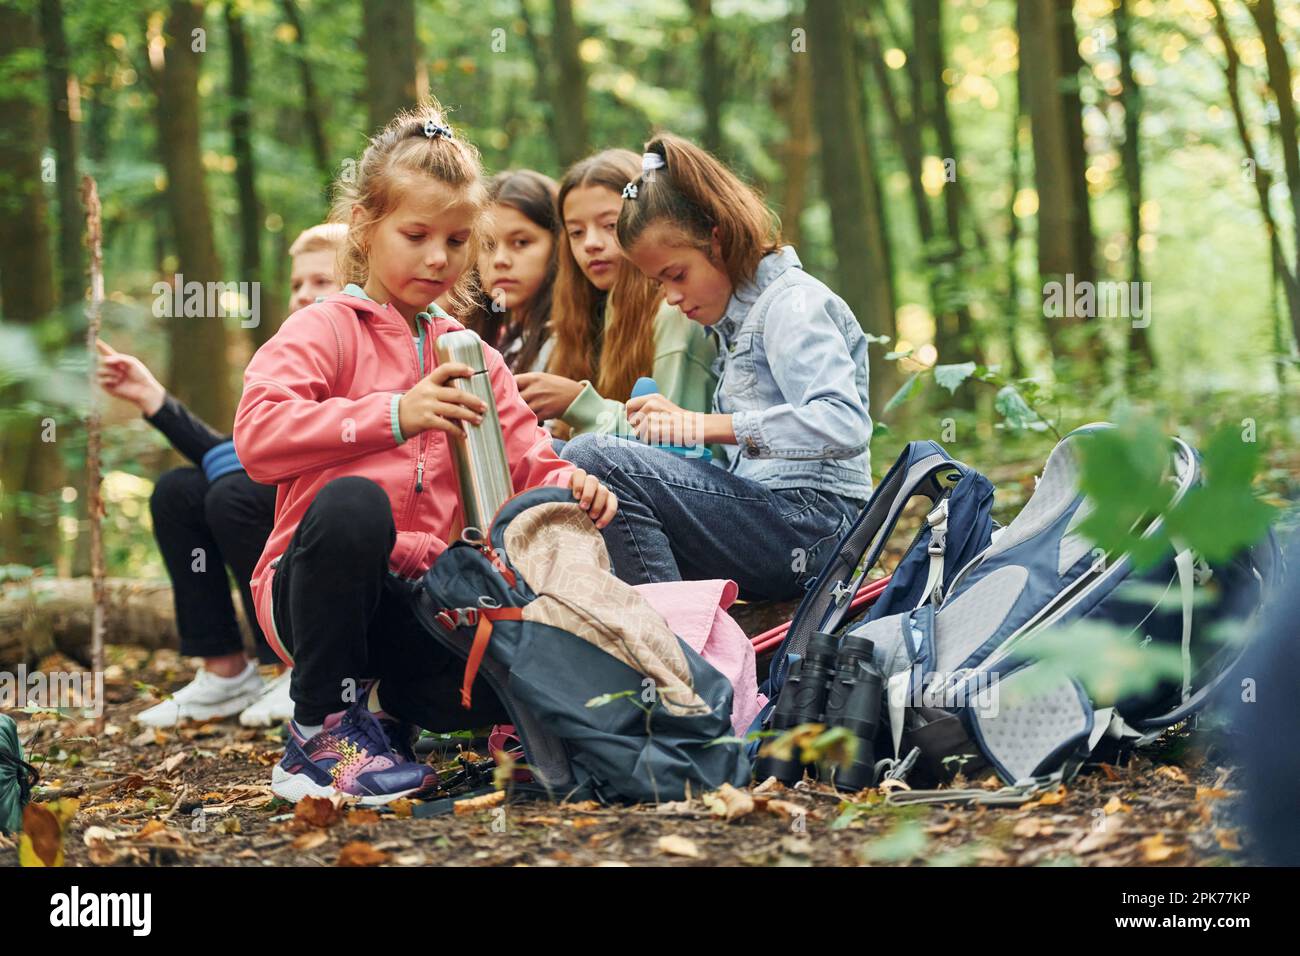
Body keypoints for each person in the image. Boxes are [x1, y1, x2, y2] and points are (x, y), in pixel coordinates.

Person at [232, 102, 617, 805]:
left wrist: (574, 484)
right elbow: (257, 441)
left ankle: (388, 723)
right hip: (317, 596)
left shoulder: (468, 353)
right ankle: (319, 733)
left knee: (510, 698)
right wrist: (393, 415)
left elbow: (528, 460)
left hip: (426, 603)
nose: (439, 257)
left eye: (457, 239)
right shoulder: (323, 331)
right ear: (365, 227)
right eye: (416, 235)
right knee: (353, 503)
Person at [561, 132, 873, 601]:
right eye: (657, 283)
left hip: (816, 526)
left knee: (594, 458)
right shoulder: (735, 324)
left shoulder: (792, 304)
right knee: (574, 468)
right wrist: (669, 431)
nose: (670, 296)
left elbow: (843, 424)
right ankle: (671, 643)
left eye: (677, 274)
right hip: (780, 516)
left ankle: (672, 651)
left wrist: (702, 425)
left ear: (718, 238)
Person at [96, 223, 347, 728]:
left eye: (320, 282)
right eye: (297, 284)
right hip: (296, 505)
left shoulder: (361, 348)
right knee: (178, 492)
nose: (302, 296)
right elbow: (244, 456)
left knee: (234, 493)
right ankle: (227, 671)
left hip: (353, 517)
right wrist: (155, 402)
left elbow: (254, 467)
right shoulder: (298, 356)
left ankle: (299, 668)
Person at [514, 149, 716, 438]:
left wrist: (577, 403)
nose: (591, 244)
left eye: (610, 225)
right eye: (576, 232)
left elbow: (681, 448)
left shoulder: (676, 312)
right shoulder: (587, 316)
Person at [465, 170, 559, 375]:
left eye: (520, 242)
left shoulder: (567, 345)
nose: (500, 260)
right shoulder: (494, 341)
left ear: (559, 246)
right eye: (488, 245)